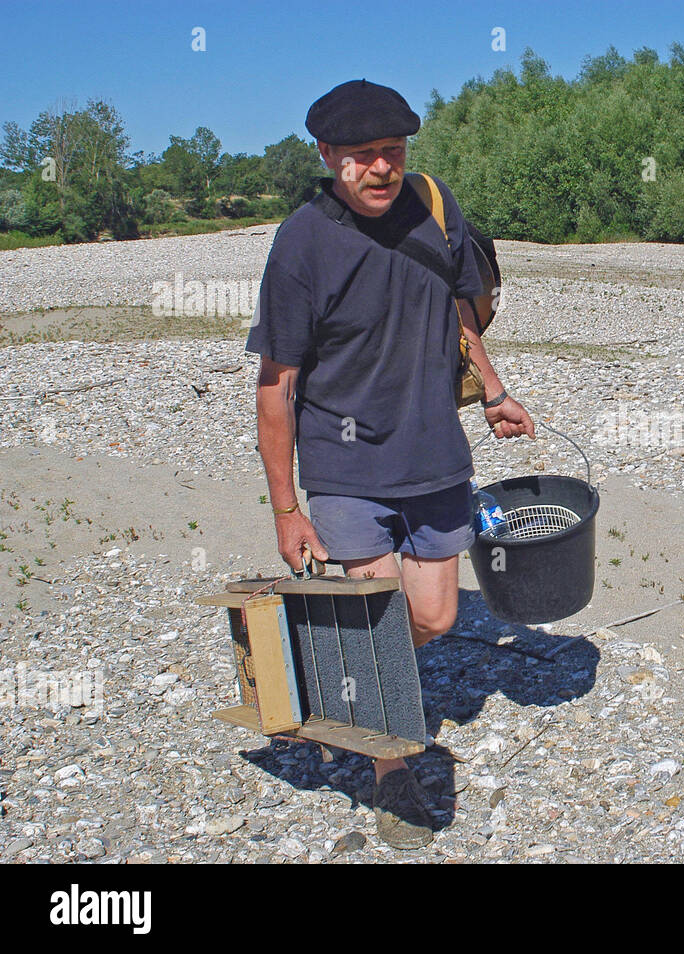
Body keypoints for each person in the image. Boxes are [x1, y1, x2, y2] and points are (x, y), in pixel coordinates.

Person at [246, 78, 535, 849]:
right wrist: (285, 508)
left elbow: (456, 309)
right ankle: (392, 772)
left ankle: (334, 670)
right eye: (362, 155)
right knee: (376, 618)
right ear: (326, 154)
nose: (380, 169)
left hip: (436, 455)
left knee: (435, 615)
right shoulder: (302, 242)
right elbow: (276, 387)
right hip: (346, 469)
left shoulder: (434, 207)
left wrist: (496, 390)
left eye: (394, 152)